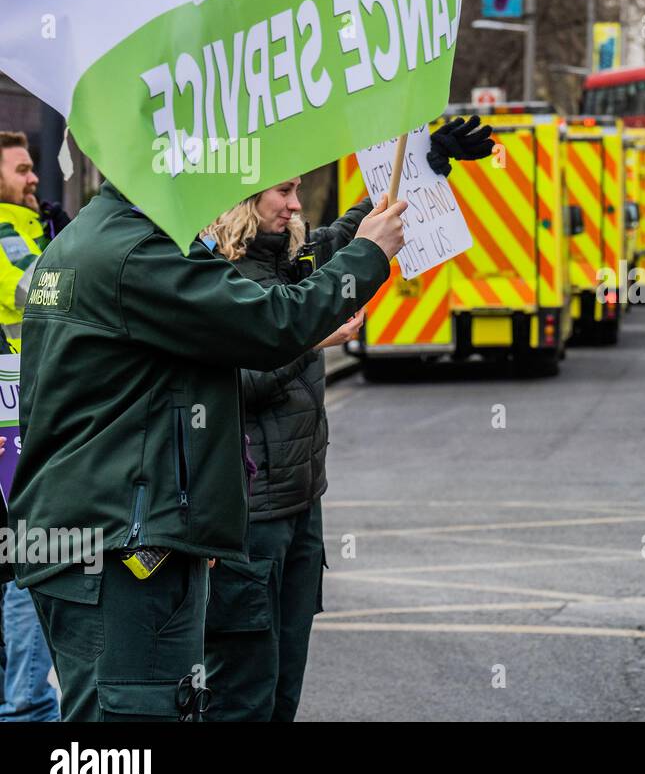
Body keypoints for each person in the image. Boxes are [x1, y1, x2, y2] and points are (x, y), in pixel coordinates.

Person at [8, 174, 407, 721]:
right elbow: (271, 324)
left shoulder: (94, 237)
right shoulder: (137, 252)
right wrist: (368, 255)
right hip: (119, 549)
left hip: (104, 537)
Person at [200, 115, 492, 720]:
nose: (294, 203)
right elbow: (235, 382)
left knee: (282, 690)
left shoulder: (286, 257)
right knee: (243, 694)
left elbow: (351, 235)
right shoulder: (222, 278)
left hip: (301, 506)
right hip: (250, 521)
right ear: (242, 201)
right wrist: (313, 342)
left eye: (296, 189)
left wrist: (425, 164)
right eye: (283, 191)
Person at [0, 131, 59, 722]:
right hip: (15, 431)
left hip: (24, 419)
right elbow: (46, 295)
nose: (33, 177)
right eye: (20, 169)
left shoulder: (29, 228)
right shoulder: (2, 232)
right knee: (26, 564)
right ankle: (27, 709)